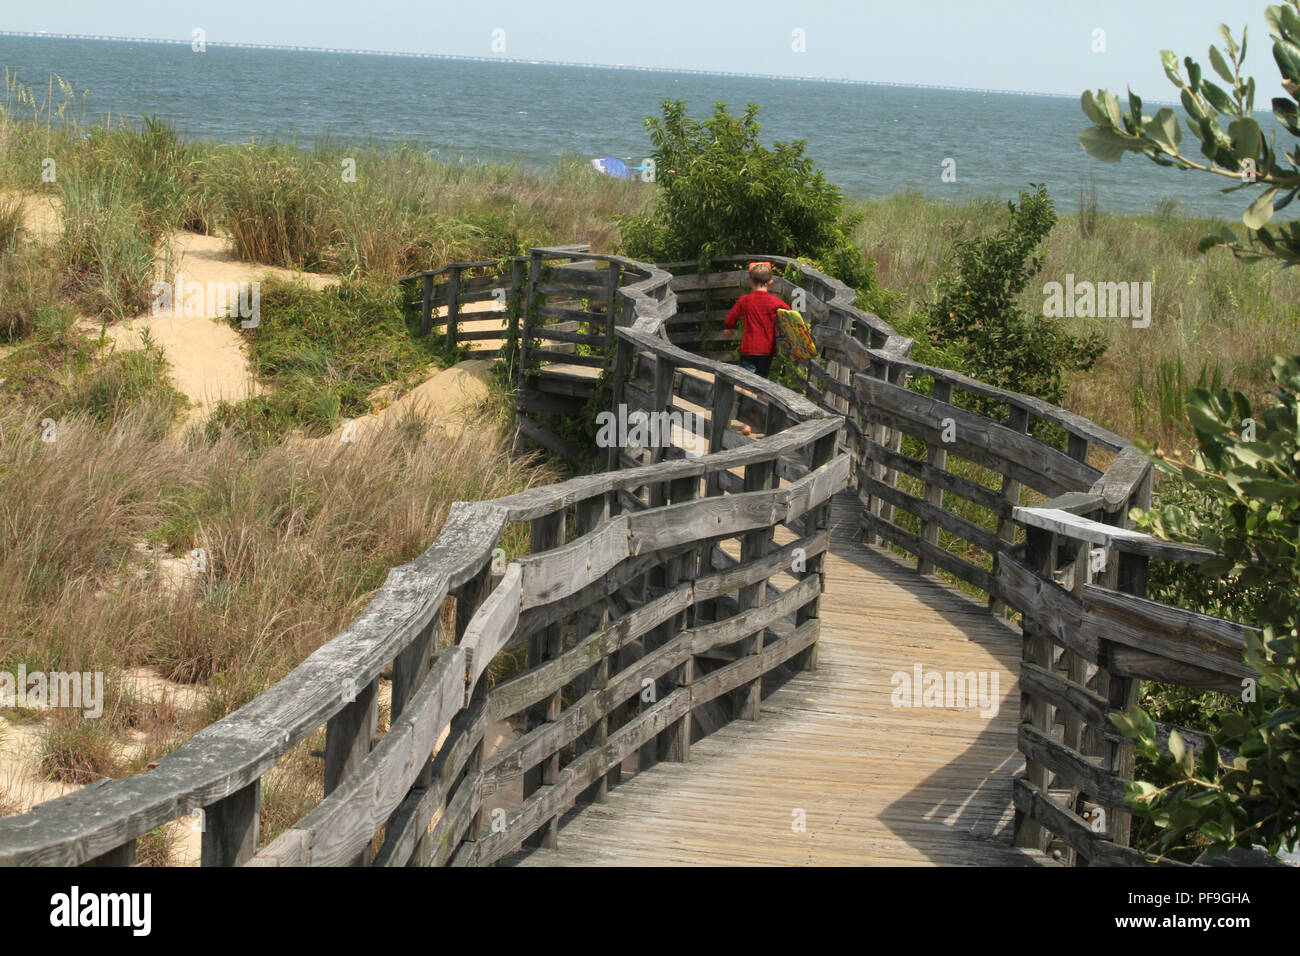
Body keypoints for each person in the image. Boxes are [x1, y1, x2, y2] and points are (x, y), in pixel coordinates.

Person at [722, 261, 788, 379]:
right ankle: (760, 398)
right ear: (771, 283)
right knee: (762, 382)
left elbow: (730, 319)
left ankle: (745, 396)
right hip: (767, 350)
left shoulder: (744, 300)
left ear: (751, 282)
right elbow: (790, 314)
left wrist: (728, 329)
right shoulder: (775, 301)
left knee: (746, 381)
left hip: (748, 348)